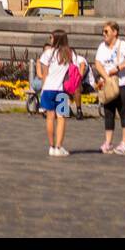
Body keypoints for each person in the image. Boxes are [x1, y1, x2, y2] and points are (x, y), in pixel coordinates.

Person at [36, 29, 87, 157]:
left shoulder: (47, 53)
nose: (50, 40)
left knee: (49, 118)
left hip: (48, 89)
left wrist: (42, 89)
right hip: (61, 90)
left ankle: (51, 146)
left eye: (51, 38)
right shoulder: (68, 54)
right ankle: (59, 146)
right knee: (61, 118)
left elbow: (45, 73)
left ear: (56, 39)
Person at [94, 21, 125, 154]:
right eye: (103, 31)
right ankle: (108, 142)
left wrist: (118, 68)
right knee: (108, 113)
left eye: (106, 31)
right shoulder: (102, 46)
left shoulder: (124, 45)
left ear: (115, 32)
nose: (104, 34)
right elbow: (98, 63)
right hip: (108, 84)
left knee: (123, 112)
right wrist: (106, 77)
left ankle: (124, 142)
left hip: (122, 83)